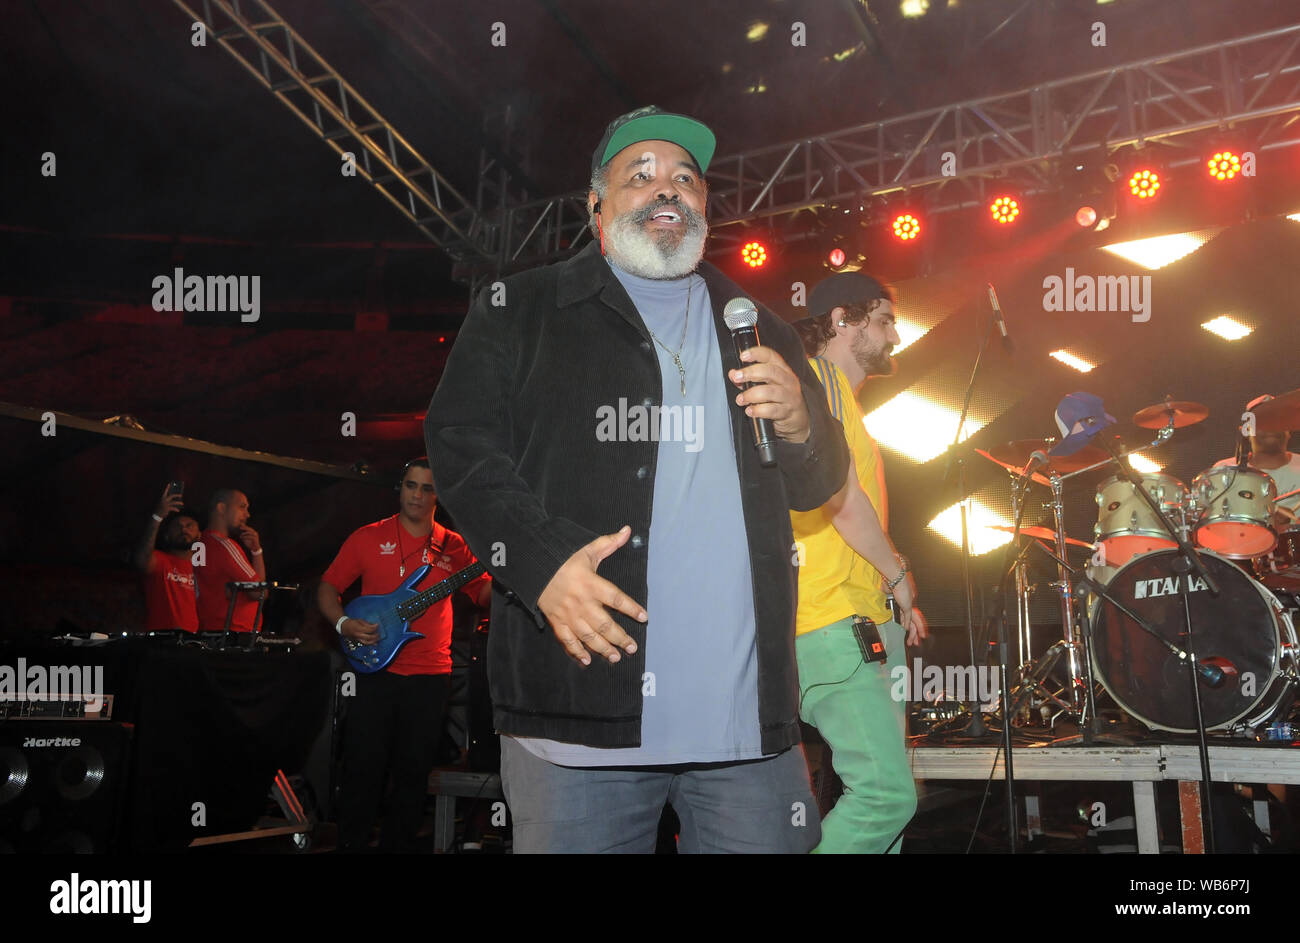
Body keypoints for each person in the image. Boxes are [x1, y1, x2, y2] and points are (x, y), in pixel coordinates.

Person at [424, 105, 851, 853]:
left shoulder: (758, 326)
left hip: (745, 730)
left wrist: (804, 424)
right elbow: (460, 444)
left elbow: (821, 484)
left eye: (686, 178)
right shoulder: (519, 309)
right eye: (641, 175)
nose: (668, 190)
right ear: (596, 205)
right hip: (580, 722)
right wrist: (540, 558)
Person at [790, 272, 929, 853]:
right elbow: (841, 503)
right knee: (886, 796)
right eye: (884, 320)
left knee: (885, 820)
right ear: (842, 321)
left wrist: (893, 599)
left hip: (862, 620)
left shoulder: (843, 401)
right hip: (830, 620)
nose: (895, 334)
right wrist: (899, 577)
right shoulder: (816, 381)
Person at [317, 458, 491, 852]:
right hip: (375, 669)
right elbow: (328, 586)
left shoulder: (454, 546)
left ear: (438, 495)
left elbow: (481, 594)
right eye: (411, 485)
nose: (417, 494)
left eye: (427, 488)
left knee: (412, 775)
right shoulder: (367, 536)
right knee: (363, 767)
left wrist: (504, 582)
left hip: (431, 676)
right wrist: (343, 623)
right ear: (400, 488)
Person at [1213, 394, 1300, 526]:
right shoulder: (1224, 470)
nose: (1270, 427)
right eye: (1261, 421)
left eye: (1277, 420)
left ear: (1289, 430)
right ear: (1247, 431)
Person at [195, 488, 266, 632]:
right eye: (242, 507)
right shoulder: (224, 545)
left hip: (207, 631)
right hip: (233, 634)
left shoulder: (198, 542)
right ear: (221, 508)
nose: (247, 514)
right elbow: (259, 592)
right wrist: (257, 552)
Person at [133, 483, 200, 633]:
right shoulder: (160, 560)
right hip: (161, 641)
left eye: (189, 525)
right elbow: (142, 561)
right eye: (177, 526)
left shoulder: (201, 568)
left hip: (193, 643)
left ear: (199, 534)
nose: (183, 529)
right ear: (167, 535)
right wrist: (157, 517)